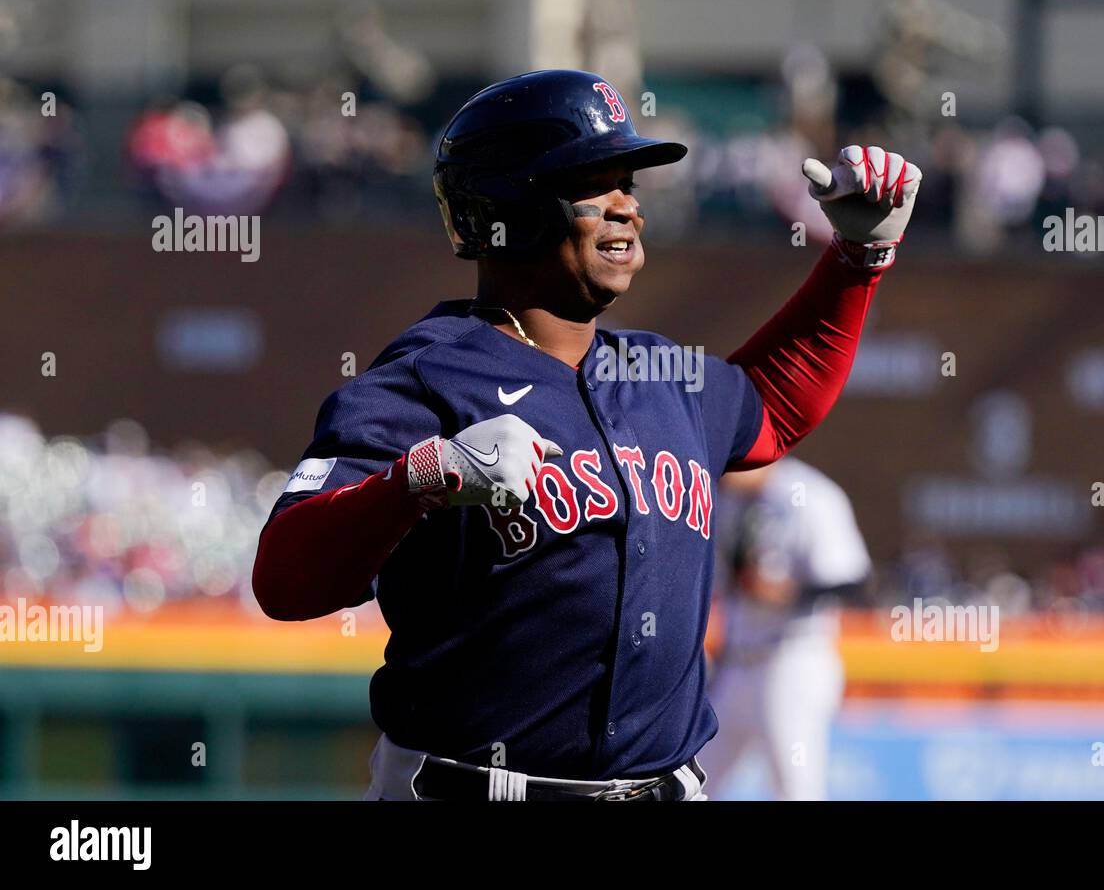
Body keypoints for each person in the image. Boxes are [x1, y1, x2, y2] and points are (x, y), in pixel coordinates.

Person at [251, 69, 920, 801]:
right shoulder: (426, 378)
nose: (627, 207)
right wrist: (420, 477)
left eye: (628, 183)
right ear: (510, 204)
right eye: (594, 183)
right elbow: (285, 580)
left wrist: (857, 261)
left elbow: (769, 406)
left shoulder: (662, 374)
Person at [700, 459, 869, 800]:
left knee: (794, 788)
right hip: (736, 662)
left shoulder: (810, 494)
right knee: (696, 777)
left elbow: (854, 584)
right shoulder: (726, 498)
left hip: (792, 659)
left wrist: (786, 594)